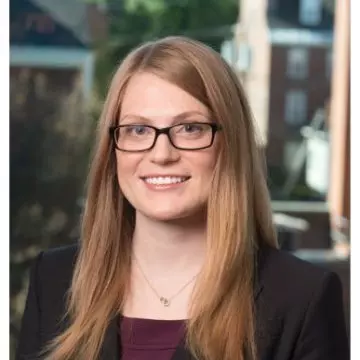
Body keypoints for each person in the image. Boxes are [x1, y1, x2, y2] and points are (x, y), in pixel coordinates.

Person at [16, 36, 349, 360]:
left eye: (190, 128)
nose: (162, 154)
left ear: (230, 144)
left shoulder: (301, 298)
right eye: (138, 130)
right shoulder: (55, 279)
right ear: (112, 149)